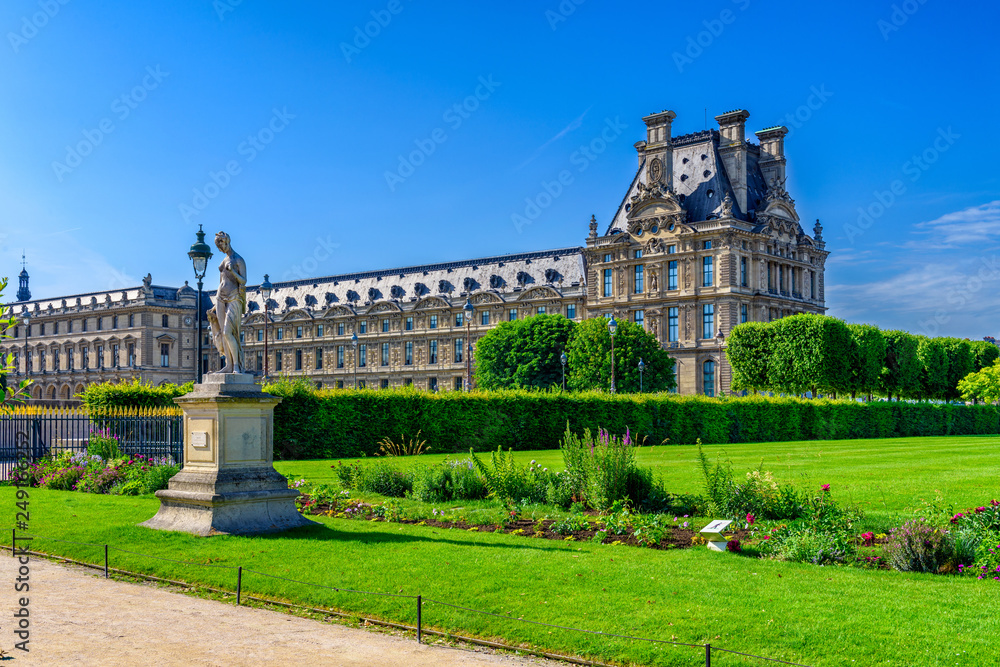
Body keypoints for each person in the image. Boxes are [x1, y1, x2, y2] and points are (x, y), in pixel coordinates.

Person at [208, 231, 246, 374]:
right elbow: (221, 282)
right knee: (223, 334)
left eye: (220, 244)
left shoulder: (238, 260)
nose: (220, 248)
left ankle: (236, 365)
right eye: (218, 246)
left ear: (227, 241)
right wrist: (214, 305)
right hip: (220, 297)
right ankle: (228, 366)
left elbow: (244, 280)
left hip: (234, 296)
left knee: (228, 331)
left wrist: (234, 273)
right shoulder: (224, 260)